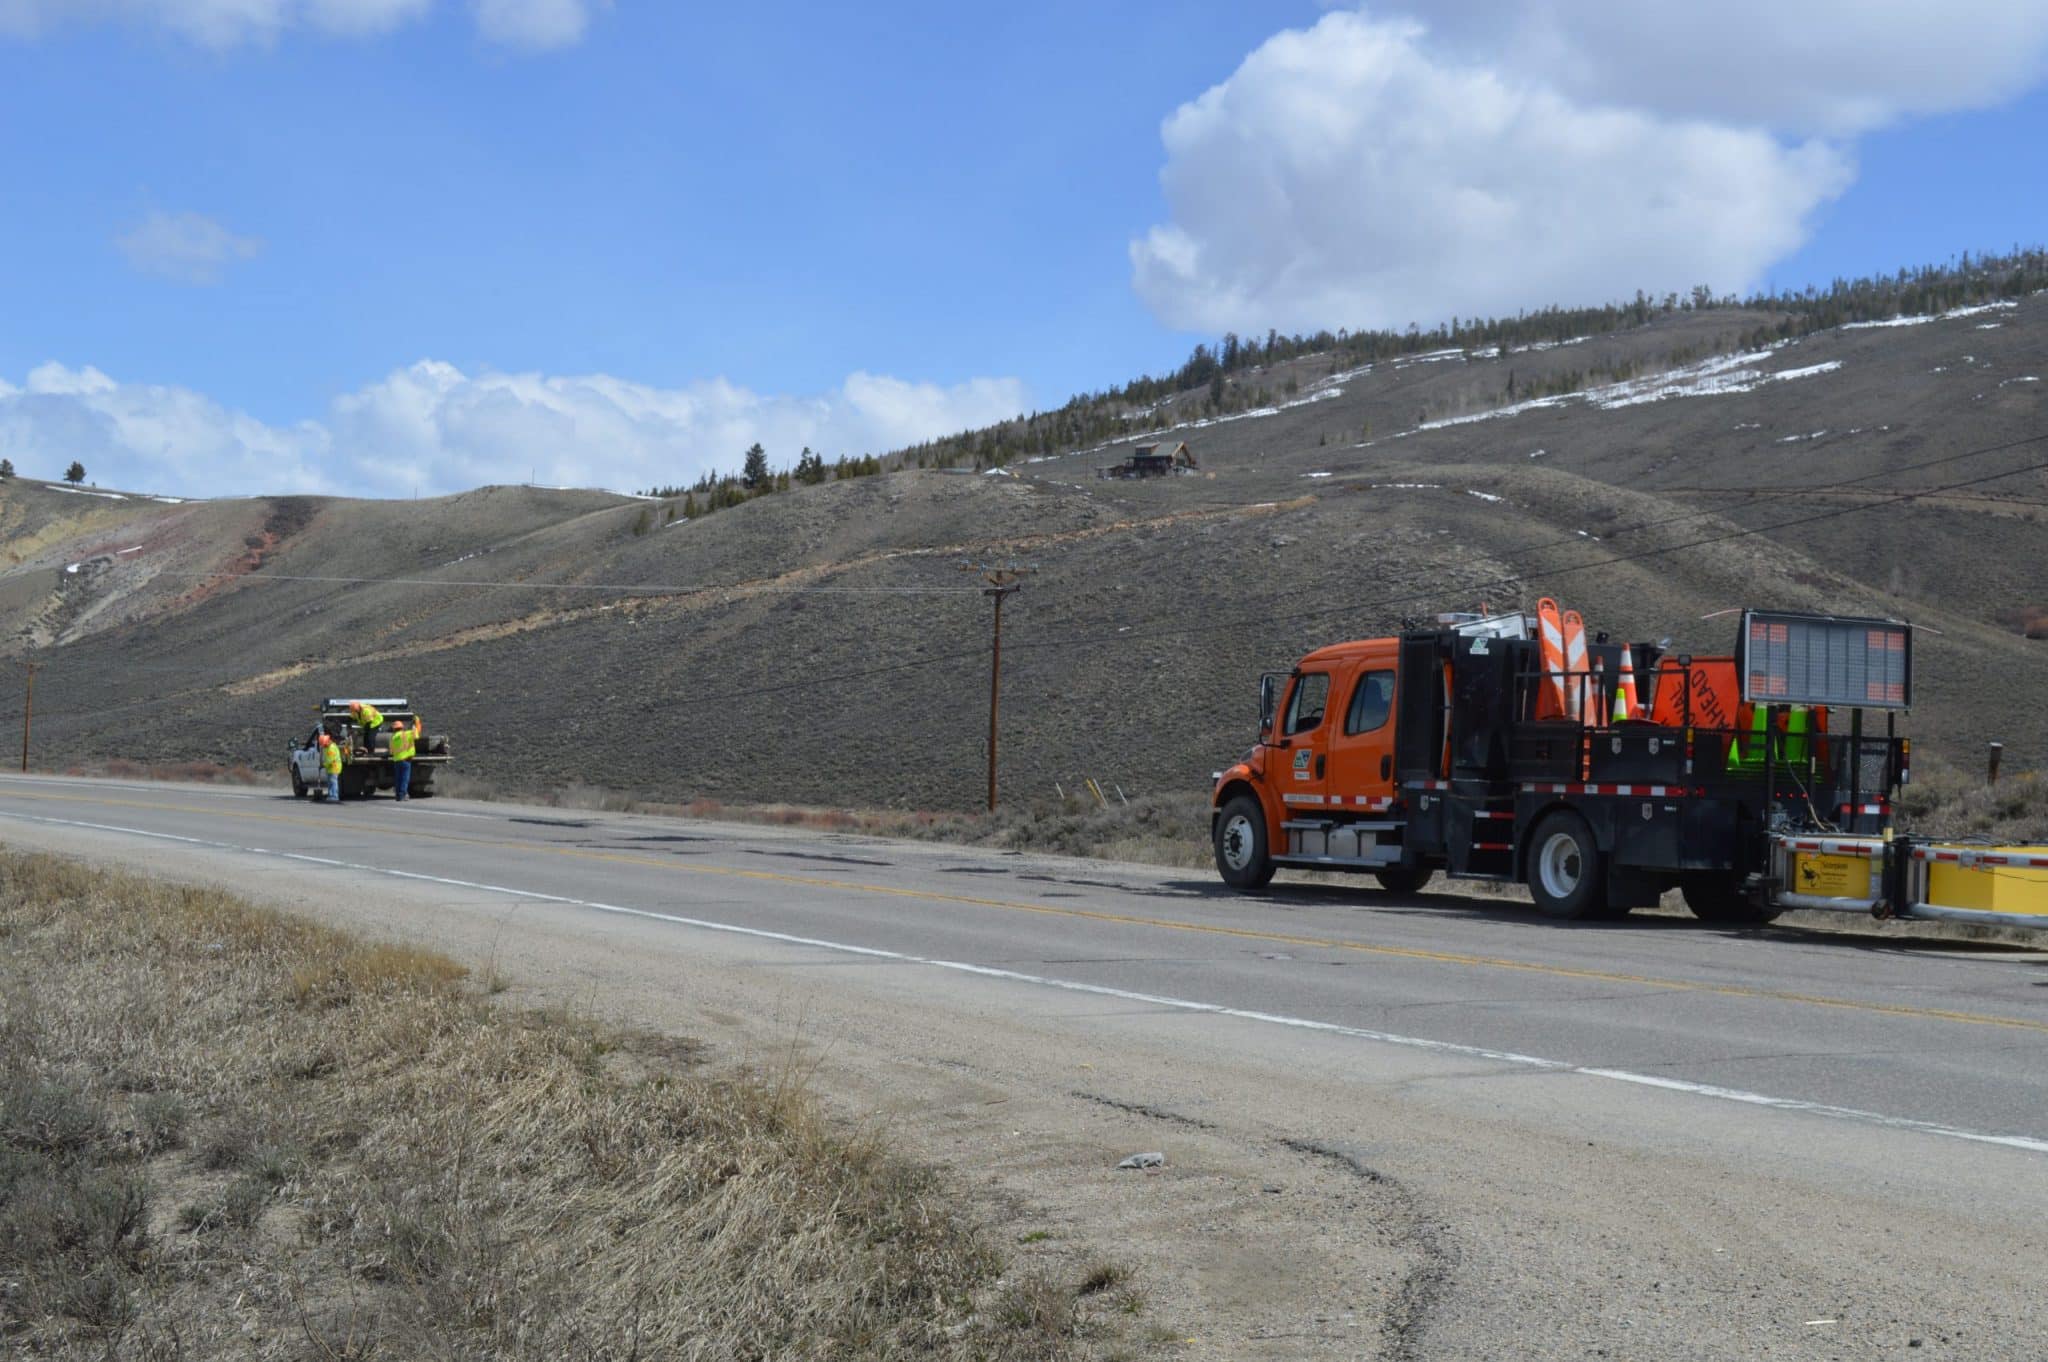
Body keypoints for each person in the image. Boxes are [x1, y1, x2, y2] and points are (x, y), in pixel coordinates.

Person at [388, 720, 416, 801]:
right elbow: (416, 733)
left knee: (398, 779)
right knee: (404, 779)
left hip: (397, 760)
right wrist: (415, 723)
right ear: (402, 727)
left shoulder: (393, 737)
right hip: (406, 760)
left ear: (394, 729)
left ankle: (398, 795)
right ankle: (402, 794)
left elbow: (391, 751)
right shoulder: (406, 734)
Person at [317, 732, 343, 801]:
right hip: (330, 768)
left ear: (327, 742)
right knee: (330, 782)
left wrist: (323, 765)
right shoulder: (327, 747)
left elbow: (330, 761)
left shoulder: (331, 748)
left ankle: (334, 796)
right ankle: (330, 795)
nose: (324, 746)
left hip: (334, 767)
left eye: (324, 744)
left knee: (333, 782)